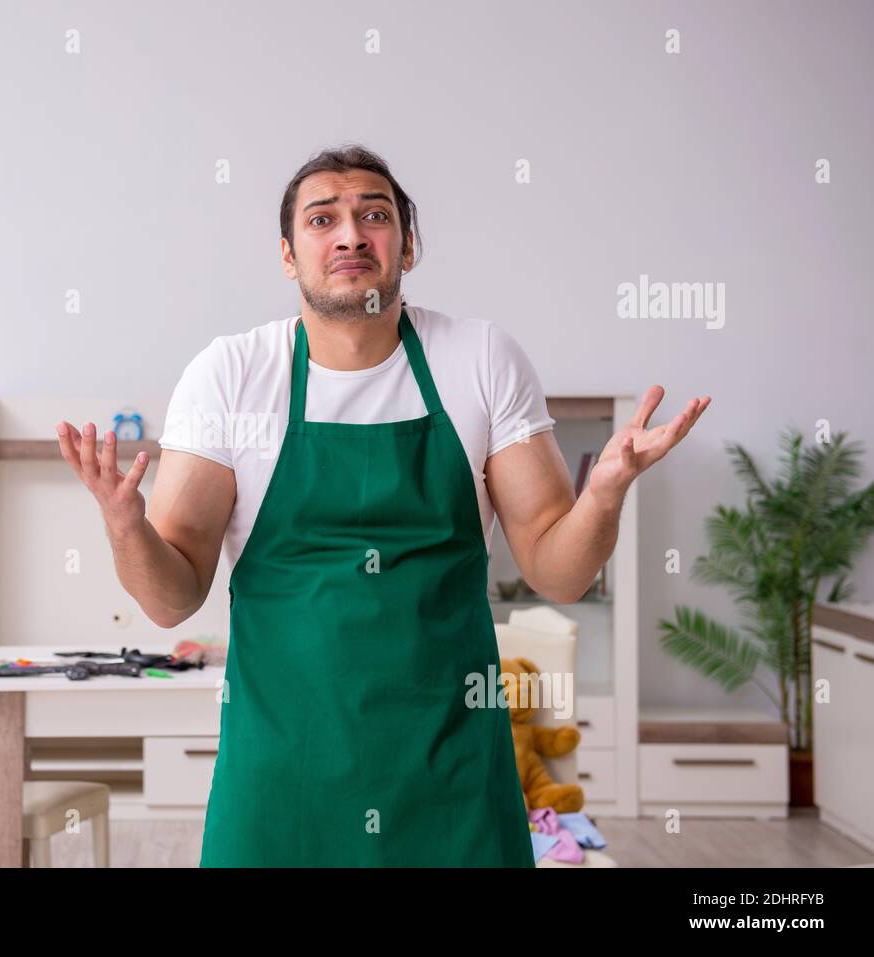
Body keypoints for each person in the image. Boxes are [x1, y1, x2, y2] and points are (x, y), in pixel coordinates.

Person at [56, 144, 710, 867]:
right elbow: (171, 597)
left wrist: (606, 492)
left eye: (375, 214)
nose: (350, 235)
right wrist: (125, 525)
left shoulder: (479, 359)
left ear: (408, 243)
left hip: (451, 773)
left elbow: (558, 571)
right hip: (281, 778)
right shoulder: (232, 376)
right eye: (322, 218)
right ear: (287, 253)